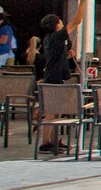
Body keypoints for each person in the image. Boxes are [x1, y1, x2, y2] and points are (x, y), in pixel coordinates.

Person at [33, 9, 78, 156]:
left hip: (54, 78)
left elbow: (55, 56)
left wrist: (66, 55)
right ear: (57, 25)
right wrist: (83, 1)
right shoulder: (56, 36)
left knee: (55, 112)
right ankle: (45, 142)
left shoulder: (50, 39)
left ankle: (54, 140)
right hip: (53, 80)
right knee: (51, 113)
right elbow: (76, 22)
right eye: (60, 21)